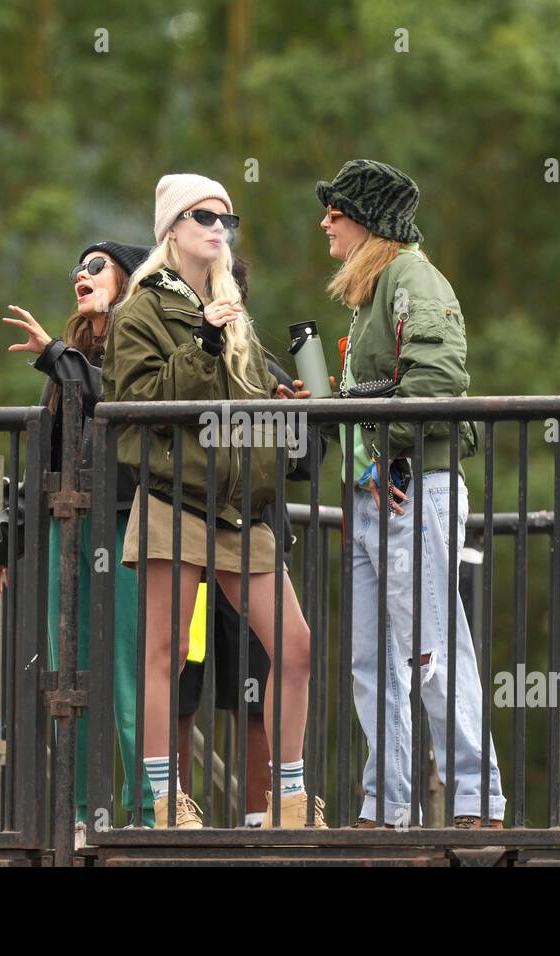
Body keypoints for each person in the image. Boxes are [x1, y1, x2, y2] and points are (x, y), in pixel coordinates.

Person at [103, 173, 325, 828]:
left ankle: (287, 798)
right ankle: (163, 802)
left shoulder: (230, 303)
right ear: (171, 229)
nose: (218, 226)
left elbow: (243, 408)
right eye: (203, 215)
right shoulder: (140, 308)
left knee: (296, 647)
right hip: (176, 497)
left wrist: (283, 413)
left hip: (240, 508)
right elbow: (137, 403)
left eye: (227, 216)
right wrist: (202, 340)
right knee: (164, 656)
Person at [318, 158, 505, 829]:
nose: (325, 224)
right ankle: (385, 806)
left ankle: (477, 801)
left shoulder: (412, 278)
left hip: (413, 487)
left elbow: (439, 378)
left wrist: (387, 451)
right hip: (383, 492)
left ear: (366, 220)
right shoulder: (377, 287)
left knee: (431, 649)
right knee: (374, 660)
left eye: (336, 212)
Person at [0, 240, 154, 841]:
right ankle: (78, 814)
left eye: (97, 264)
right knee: (69, 676)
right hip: (66, 526)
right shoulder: (68, 357)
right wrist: (8, 539)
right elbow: (44, 460)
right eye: (77, 264)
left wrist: (57, 356)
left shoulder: (143, 339)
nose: (82, 271)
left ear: (129, 278)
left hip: (129, 524)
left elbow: (124, 399)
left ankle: (147, 814)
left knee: (128, 672)